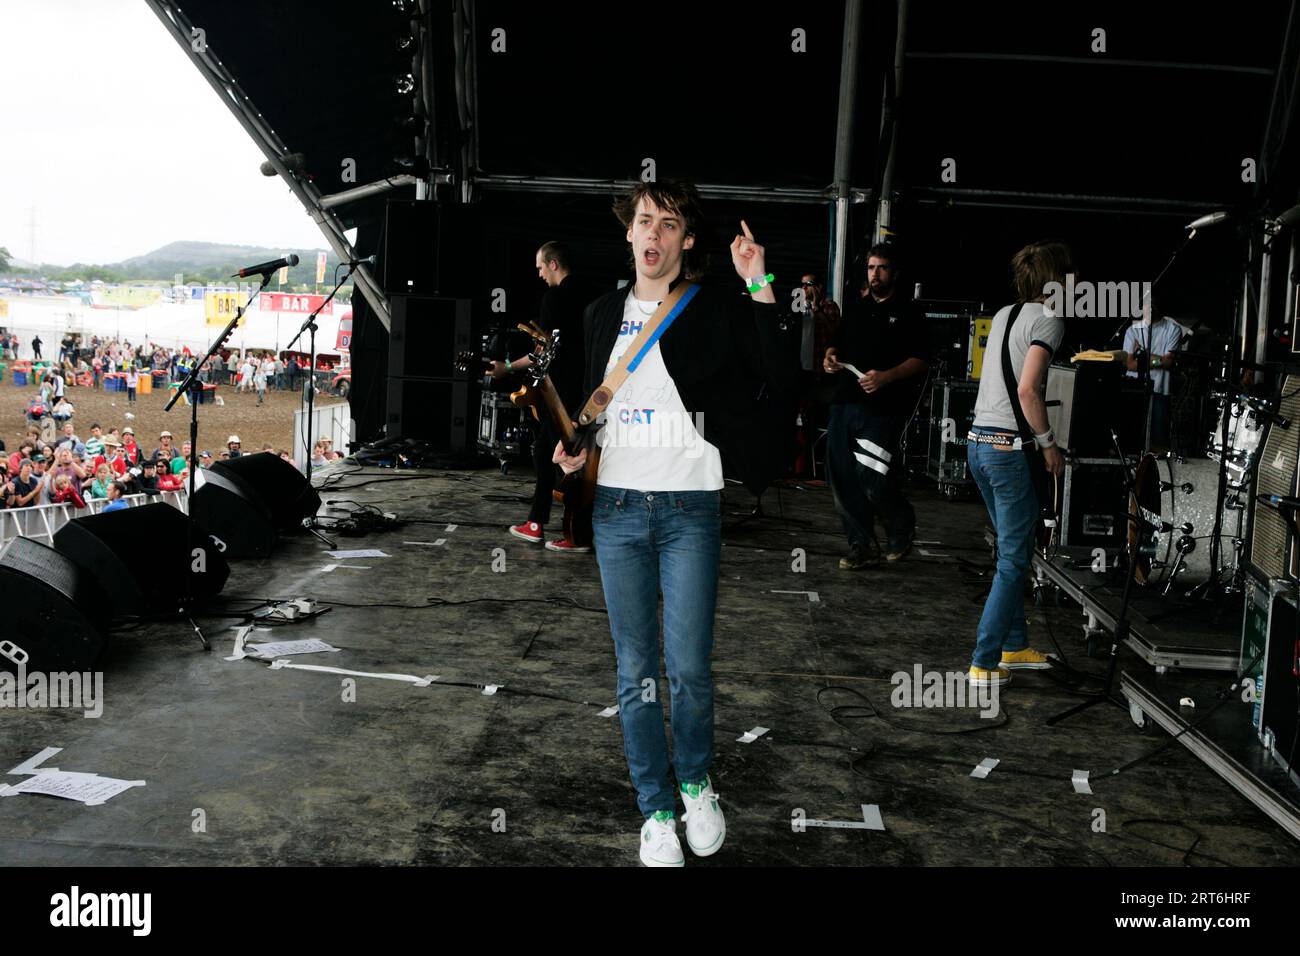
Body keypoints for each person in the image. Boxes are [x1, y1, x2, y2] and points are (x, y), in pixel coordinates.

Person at [553, 180, 799, 866]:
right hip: (619, 511)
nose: (653, 234)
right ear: (629, 235)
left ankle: (695, 784)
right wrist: (573, 449)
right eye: (643, 222)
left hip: (691, 507)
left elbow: (781, 373)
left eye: (667, 223)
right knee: (635, 672)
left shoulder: (714, 307)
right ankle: (655, 810)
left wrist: (760, 281)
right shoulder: (601, 312)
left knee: (689, 668)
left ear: (686, 240)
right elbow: (589, 409)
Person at [966, 240, 1071, 688]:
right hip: (1008, 451)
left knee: (1014, 550)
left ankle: (1013, 646)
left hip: (977, 445)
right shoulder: (1048, 320)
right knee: (1013, 558)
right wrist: (1049, 444)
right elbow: (1029, 389)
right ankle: (983, 662)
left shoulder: (1006, 313)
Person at [823, 245, 929, 568]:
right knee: (842, 476)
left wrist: (885, 377)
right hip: (844, 403)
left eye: (882, 267)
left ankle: (900, 523)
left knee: (872, 476)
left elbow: (921, 360)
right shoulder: (855, 307)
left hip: (882, 408)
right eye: (871, 267)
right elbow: (836, 344)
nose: (875, 273)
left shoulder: (910, 312)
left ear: (894, 273)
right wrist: (829, 357)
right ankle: (861, 545)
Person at [495, 240, 591, 552]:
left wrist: (507, 366)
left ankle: (560, 531)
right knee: (579, 459)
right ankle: (549, 526)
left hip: (559, 391)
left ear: (553, 264)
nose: (538, 274)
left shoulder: (555, 297)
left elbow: (543, 351)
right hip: (590, 391)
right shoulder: (593, 294)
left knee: (553, 456)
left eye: (540, 267)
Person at [1123, 298, 1184, 451]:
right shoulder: (1132, 330)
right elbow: (1129, 363)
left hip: (1160, 391)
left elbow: (1169, 363)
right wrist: (1158, 360)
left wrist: (1143, 356)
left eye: (1152, 304)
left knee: (1158, 442)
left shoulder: (1172, 329)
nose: (1149, 308)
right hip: (1135, 389)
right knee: (1131, 438)